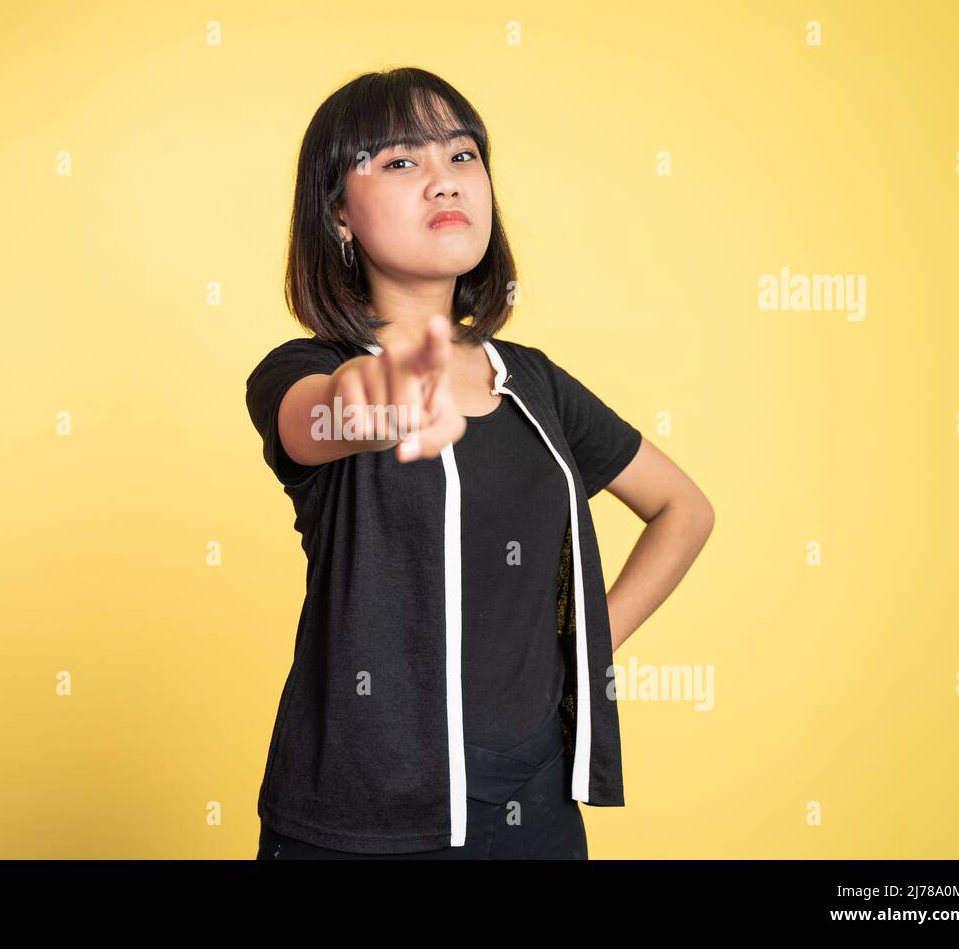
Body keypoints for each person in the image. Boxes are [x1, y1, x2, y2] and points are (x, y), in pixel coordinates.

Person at [245, 67, 714, 859]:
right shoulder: (300, 370)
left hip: (532, 810)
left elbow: (684, 510)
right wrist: (392, 386)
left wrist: (587, 646)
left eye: (462, 156)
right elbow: (319, 419)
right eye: (399, 162)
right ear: (338, 216)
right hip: (357, 821)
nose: (443, 182)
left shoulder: (533, 382)